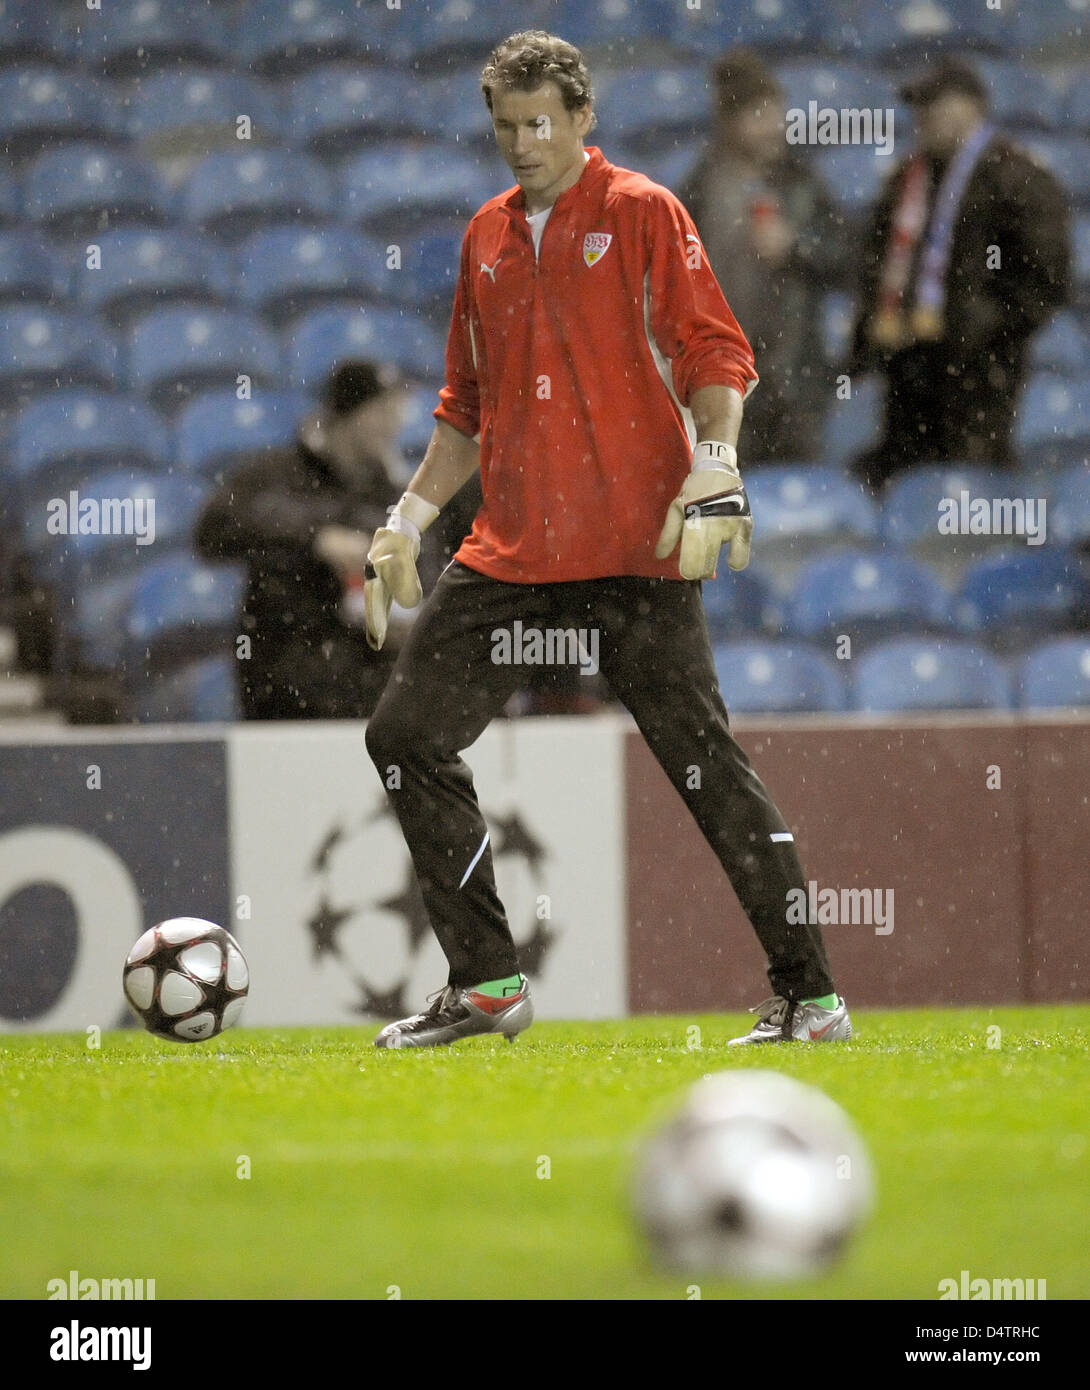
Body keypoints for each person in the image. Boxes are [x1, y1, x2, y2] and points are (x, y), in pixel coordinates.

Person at [361, 30, 849, 1050]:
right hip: (515, 547)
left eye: (540, 123)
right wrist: (406, 515)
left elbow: (714, 346)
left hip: (638, 544)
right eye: (504, 127)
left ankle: (812, 995)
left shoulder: (642, 212)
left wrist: (716, 457)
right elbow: (464, 410)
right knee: (404, 738)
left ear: (583, 119)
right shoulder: (483, 236)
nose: (522, 143)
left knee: (703, 766)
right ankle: (489, 981)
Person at [848, 57, 1070, 491]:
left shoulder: (1016, 176)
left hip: (981, 372)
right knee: (908, 488)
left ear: (972, 106)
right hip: (909, 368)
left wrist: (982, 326)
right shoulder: (907, 179)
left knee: (973, 488)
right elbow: (875, 260)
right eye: (918, 106)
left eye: (934, 103)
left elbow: (1045, 276)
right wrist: (874, 333)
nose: (923, 117)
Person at [195, 360, 427, 719]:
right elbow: (214, 531)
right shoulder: (275, 474)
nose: (392, 424)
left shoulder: (393, 493)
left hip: (370, 694)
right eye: (381, 411)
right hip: (282, 687)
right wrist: (315, 540)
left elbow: (426, 571)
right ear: (347, 413)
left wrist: (405, 612)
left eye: (396, 411)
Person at [680, 49, 852, 462]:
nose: (773, 127)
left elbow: (846, 258)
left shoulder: (804, 183)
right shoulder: (701, 188)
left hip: (793, 375)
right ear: (730, 122)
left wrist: (796, 248)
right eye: (758, 115)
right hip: (724, 372)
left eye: (776, 114)